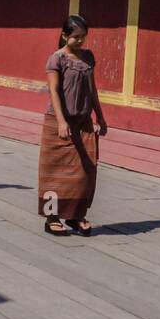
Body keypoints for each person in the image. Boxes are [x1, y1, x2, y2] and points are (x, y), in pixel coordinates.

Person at [39, 15, 107, 237]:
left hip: (83, 121)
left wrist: (100, 116)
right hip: (59, 120)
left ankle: (76, 217)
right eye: (76, 37)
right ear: (64, 35)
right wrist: (60, 121)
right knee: (55, 172)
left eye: (83, 37)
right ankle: (52, 217)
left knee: (85, 171)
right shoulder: (56, 59)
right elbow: (54, 91)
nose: (80, 41)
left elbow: (92, 88)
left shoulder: (88, 57)